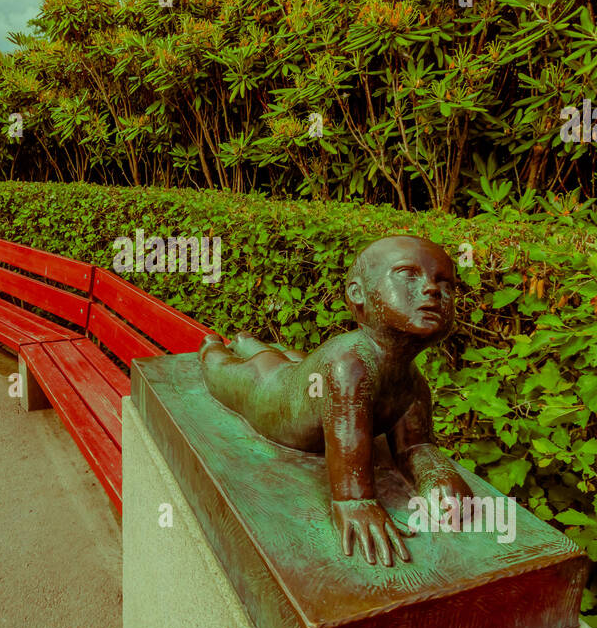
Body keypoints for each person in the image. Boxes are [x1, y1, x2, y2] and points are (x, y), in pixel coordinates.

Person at [199, 235, 474, 567]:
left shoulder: (411, 381)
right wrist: (355, 503)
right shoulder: (349, 367)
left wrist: (436, 474)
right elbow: (350, 469)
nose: (431, 289)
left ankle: (248, 342)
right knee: (227, 369)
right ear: (357, 294)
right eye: (408, 274)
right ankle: (216, 345)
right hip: (268, 394)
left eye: (445, 283)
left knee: (283, 361)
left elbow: (414, 446)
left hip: (297, 374)